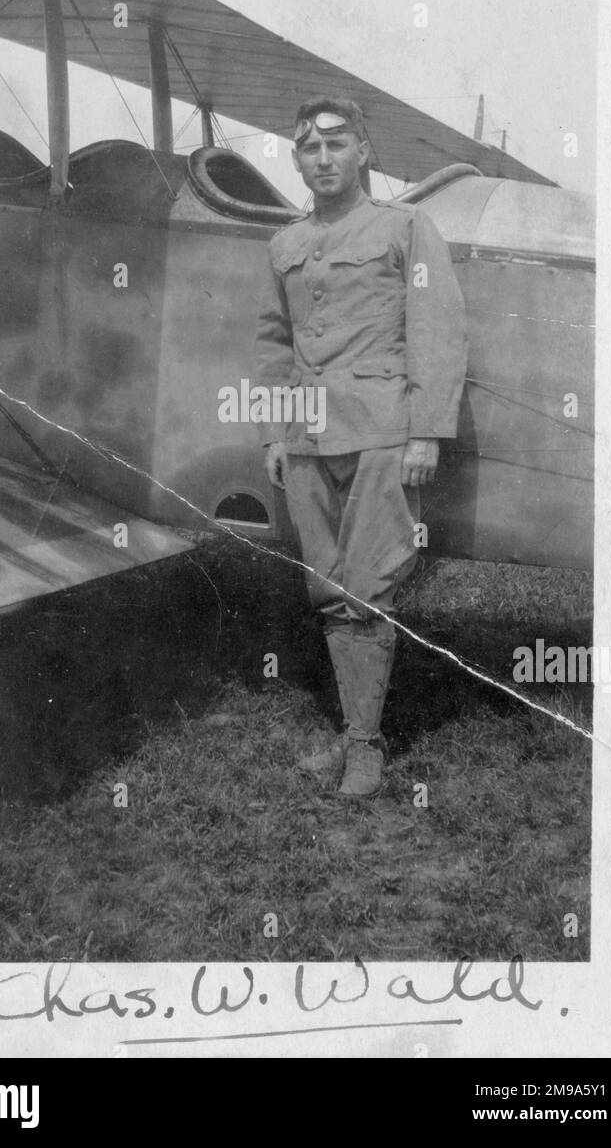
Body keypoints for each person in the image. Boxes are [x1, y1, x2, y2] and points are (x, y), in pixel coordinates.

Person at [254, 96, 467, 797]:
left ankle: (365, 748)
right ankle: (353, 730)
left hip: (381, 434)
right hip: (311, 438)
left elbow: (435, 330)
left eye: (335, 145)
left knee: (368, 587)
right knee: (326, 584)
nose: (321, 159)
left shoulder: (406, 228)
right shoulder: (284, 244)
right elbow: (274, 344)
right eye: (308, 149)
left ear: (362, 152)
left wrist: (426, 431)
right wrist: (276, 433)